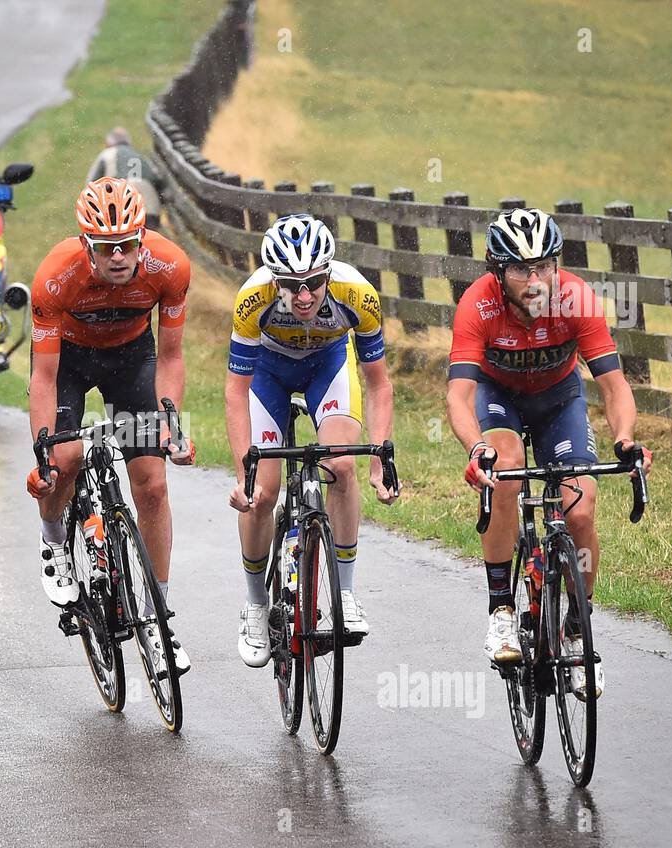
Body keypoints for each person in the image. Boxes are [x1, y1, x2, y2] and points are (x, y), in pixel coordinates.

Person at [446, 207, 653, 699]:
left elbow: (613, 384)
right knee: (506, 469)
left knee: (580, 508)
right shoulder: (478, 305)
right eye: (521, 269)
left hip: (559, 400)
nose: (535, 279)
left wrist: (625, 439)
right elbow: (458, 395)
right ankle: (501, 609)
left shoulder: (576, 298)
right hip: (499, 399)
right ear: (499, 272)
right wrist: (476, 448)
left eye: (543, 266)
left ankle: (578, 632)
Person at [26, 177, 196, 675]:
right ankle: (54, 541)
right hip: (69, 362)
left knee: (153, 484)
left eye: (126, 244)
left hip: (132, 361)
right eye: (105, 247)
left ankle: (158, 616)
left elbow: (171, 356)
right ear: (86, 245)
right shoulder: (55, 277)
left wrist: (171, 423)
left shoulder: (171, 267)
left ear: (142, 238)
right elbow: (44, 377)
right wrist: (43, 453)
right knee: (66, 459)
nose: (118, 256)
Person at [226, 214, 395, 667]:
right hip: (267, 374)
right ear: (274, 280)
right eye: (291, 285)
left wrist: (379, 460)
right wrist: (244, 473)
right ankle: (255, 605)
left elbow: (378, 383)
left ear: (328, 274)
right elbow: (236, 391)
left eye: (314, 283)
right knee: (262, 495)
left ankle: (346, 594)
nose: (304, 296)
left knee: (340, 466)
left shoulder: (357, 294)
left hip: (327, 367)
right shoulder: (252, 299)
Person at [86, 127, 166, 232]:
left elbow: (91, 185)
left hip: (122, 203)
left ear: (109, 143)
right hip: (149, 204)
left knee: (122, 237)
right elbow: (158, 181)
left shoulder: (107, 154)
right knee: (150, 237)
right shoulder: (140, 155)